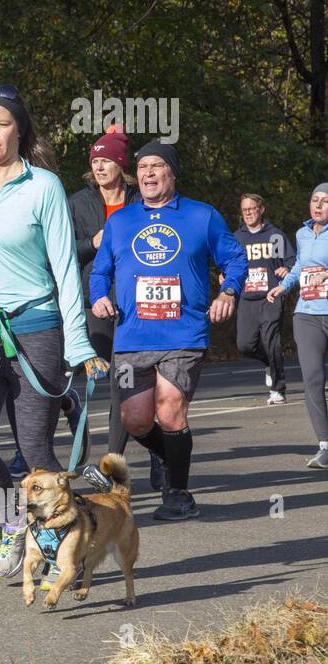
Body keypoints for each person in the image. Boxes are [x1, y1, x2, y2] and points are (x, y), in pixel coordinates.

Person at [0, 85, 106, 582]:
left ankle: (69, 542)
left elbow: (64, 267)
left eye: (2, 123)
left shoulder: (44, 186)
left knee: (36, 453)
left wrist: (78, 343)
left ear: (20, 129)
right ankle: (15, 524)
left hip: (36, 325)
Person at [90, 139, 247, 519]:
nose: (148, 173)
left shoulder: (201, 216)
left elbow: (235, 258)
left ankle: (178, 492)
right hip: (132, 334)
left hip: (183, 333)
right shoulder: (121, 220)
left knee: (171, 411)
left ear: (172, 173)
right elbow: (101, 271)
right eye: (142, 167)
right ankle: (171, 455)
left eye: (157, 166)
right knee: (136, 419)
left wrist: (228, 291)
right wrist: (98, 297)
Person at [69, 124, 138, 457]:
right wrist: (91, 243)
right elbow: (62, 249)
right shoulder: (78, 203)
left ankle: (116, 460)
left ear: (120, 165)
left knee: (122, 385)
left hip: (135, 300)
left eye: (106, 161)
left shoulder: (139, 201)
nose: (99, 167)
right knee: (105, 377)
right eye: (95, 161)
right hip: (94, 300)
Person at [266, 183, 328, 468]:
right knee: (313, 379)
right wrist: (283, 286)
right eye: (315, 200)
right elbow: (300, 265)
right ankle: (325, 446)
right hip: (306, 314)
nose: (318, 205)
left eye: (325, 201)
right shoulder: (302, 233)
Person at [233, 194, 294, 405]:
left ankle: (278, 389)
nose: (248, 213)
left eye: (252, 208)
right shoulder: (237, 238)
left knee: (271, 342)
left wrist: (287, 268)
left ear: (261, 210)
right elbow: (229, 264)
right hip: (247, 298)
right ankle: (269, 362)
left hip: (271, 296)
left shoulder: (274, 236)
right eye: (245, 210)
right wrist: (225, 274)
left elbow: (291, 261)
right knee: (244, 345)